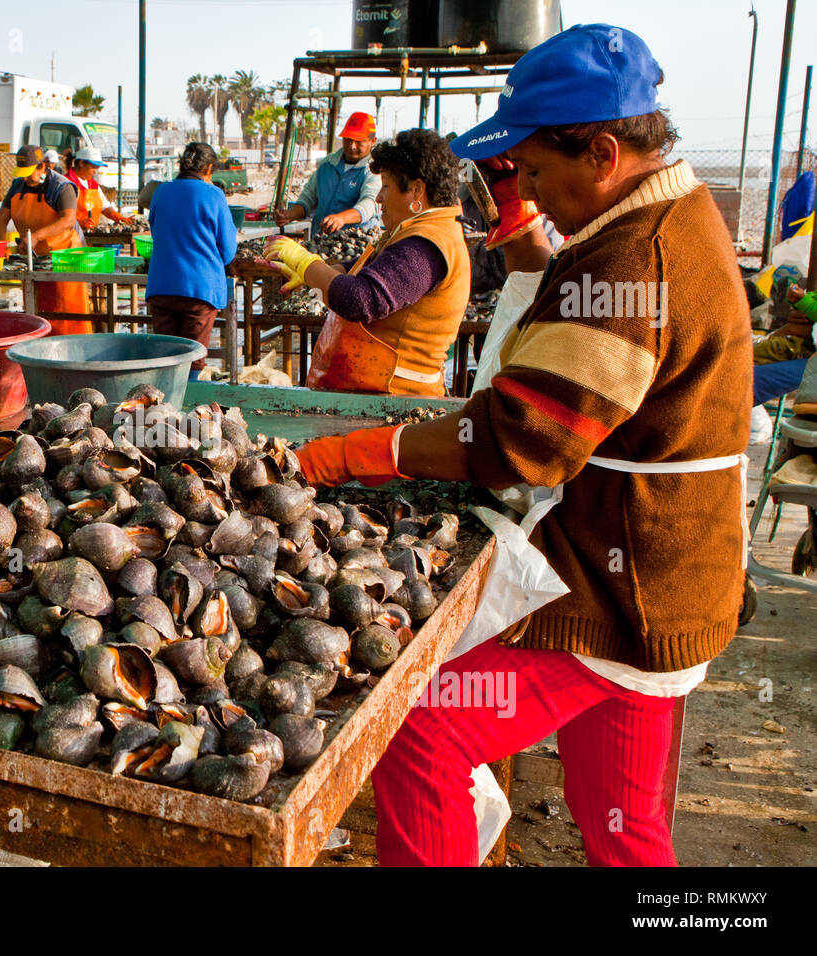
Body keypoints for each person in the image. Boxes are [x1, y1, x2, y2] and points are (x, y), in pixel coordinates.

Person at [293, 24, 753, 867]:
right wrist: (532, 236)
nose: (530, 191)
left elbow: (522, 439)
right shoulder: (680, 210)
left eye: (538, 172)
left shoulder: (636, 256)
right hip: (676, 574)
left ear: (604, 153)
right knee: (620, 816)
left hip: (623, 588)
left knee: (423, 730)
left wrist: (369, 451)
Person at [264, 128, 471, 396]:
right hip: (374, 390)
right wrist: (319, 274)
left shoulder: (426, 245)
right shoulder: (418, 231)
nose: (379, 198)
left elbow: (360, 299)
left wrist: (307, 263)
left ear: (417, 190)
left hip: (395, 400)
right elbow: (370, 267)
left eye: (386, 186)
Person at [145, 142, 236, 378]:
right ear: (207, 168)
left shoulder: (161, 192)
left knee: (165, 359)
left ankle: (161, 410)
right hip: (199, 291)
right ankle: (185, 407)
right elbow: (227, 251)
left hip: (161, 288)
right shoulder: (214, 194)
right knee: (193, 360)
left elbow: (157, 232)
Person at [0, 144, 90, 333]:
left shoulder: (61, 187)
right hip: (34, 259)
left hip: (65, 260)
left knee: (67, 317)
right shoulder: (17, 186)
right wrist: (1, 246)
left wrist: (37, 236)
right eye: (22, 172)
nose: (25, 177)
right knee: (37, 314)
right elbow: (1, 218)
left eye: (29, 172)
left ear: (42, 167)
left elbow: (68, 220)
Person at [274, 112, 381, 236]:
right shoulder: (328, 164)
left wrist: (342, 218)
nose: (352, 146)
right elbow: (308, 197)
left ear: (372, 141)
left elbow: (370, 204)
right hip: (321, 239)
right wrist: (290, 215)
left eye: (359, 142)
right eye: (348, 140)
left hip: (357, 242)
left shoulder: (374, 169)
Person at [65, 147, 133, 234]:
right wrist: (78, 223)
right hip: (70, 236)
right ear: (81, 163)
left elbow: (104, 206)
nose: (95, 171)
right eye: (93, 167)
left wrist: (118, 217)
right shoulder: (67, 183)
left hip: (88, 236)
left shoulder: (92, 184)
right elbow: (59, 214)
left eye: (97, 168)